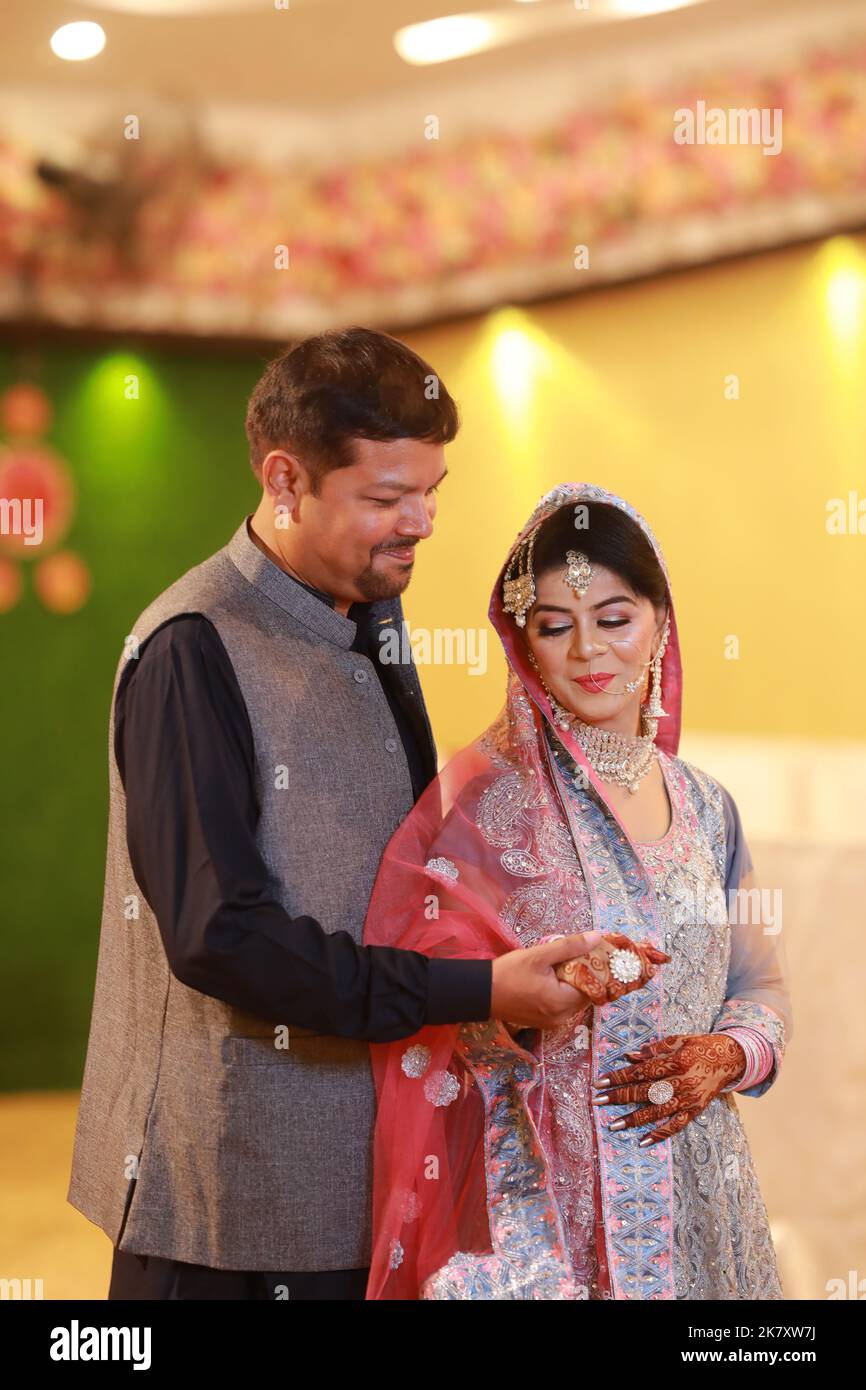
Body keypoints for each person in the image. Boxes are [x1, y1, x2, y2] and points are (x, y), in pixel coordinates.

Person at [66, 329, 590, 1302]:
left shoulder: (371, 618)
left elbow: (389, 867)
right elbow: (222, 937)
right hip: (227, 1200)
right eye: (386, 498)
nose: (421, 521)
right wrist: (474, 990)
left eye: (431, 489)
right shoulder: (193, 646)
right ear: (284, 480)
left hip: (368, 1175)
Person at [363, 481, 792, 1300]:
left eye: (615, 619)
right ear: (526, 644)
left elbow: (758, 985)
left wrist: (726, 1055)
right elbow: (419, 994)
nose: (590, 652)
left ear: (660, 622)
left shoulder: (706, 807)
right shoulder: (484, 806)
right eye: (556, 627)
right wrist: (524, 1005)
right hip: (549, 1197)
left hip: (698, 1187)